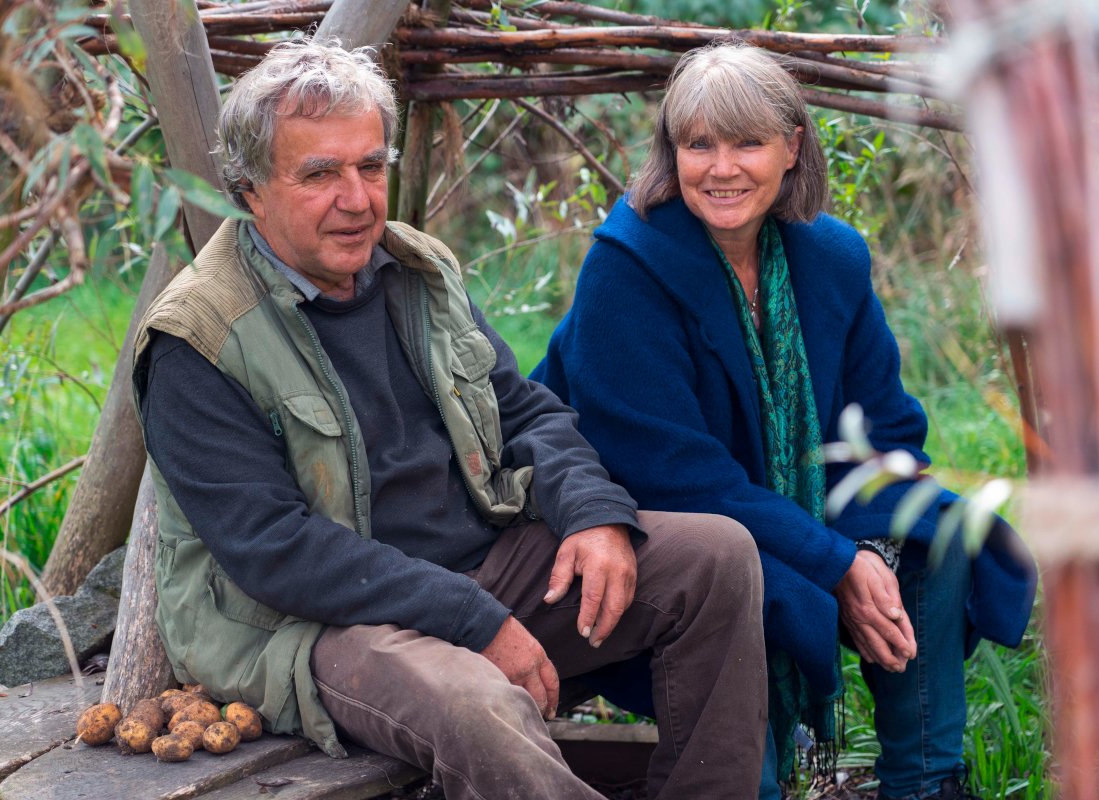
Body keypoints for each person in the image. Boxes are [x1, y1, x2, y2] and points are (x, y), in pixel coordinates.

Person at [130, 39, 767, 800]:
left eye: (371, 166)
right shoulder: (197, 340)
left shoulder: (417, 270)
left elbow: (522, 409)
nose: (358, 199)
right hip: (317, 626)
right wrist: (471, 618)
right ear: (250, 191)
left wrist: (594, 513)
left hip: (480, 568)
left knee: (717, 558)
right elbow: (275, 551)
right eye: (320, 174)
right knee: (478, 705)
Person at [532, 42, 1038, 800]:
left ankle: (926, 783)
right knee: (754, 578)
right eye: (699, 144)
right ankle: (752, 782)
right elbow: (676, 477)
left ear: (791, 147)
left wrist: (861, 547)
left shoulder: (830, 257)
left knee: (932, 533)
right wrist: (833, 562)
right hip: (655, 522)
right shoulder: (625, 271)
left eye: (747, 143)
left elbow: (887, 432)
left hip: (784, 502)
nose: (722, 168)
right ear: (672, 153)